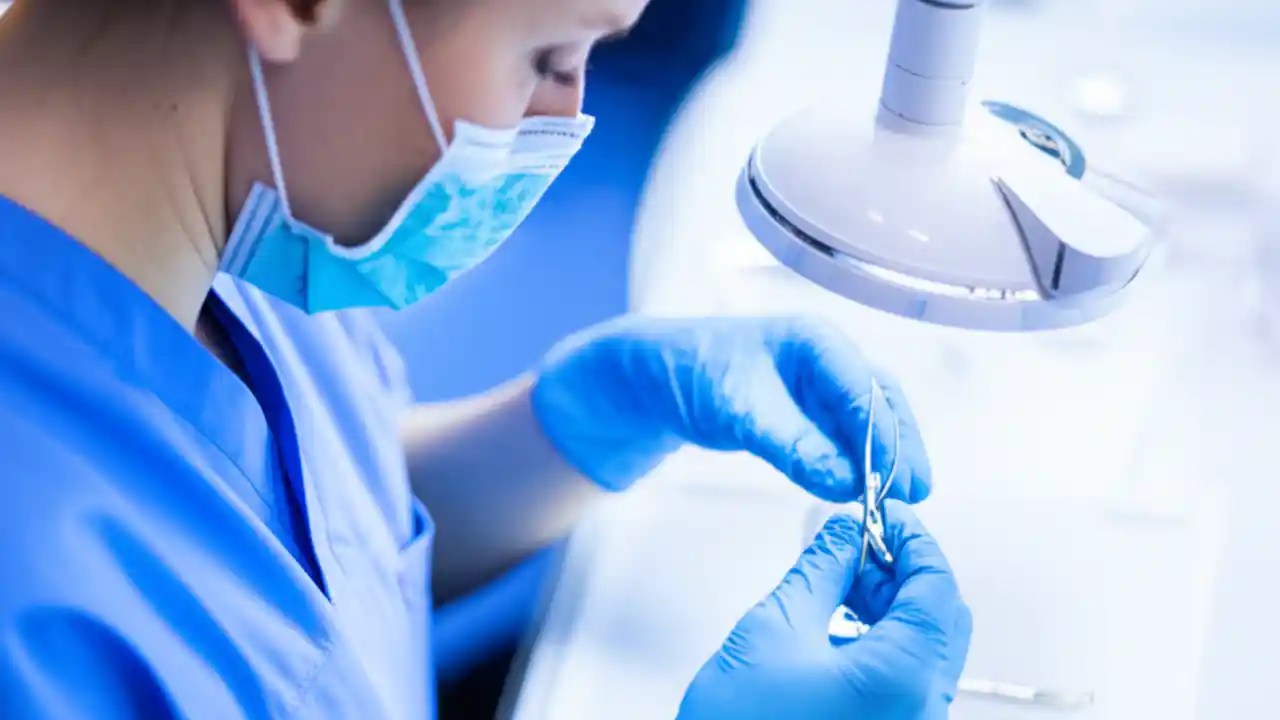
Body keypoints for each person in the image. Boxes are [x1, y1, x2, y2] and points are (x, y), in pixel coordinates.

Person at [0, 0, 971, 717]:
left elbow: (270, 566)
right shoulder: (27, 612)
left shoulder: (236, 198)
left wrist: (558, 439)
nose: (564, 117)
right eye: (546, 53)